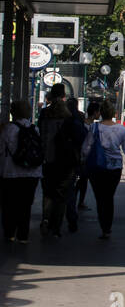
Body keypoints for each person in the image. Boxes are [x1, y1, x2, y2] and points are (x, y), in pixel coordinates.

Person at [80, 100, 125, 238]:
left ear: (101, 114)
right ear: (113, 113)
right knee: (109, 197)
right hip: (114, 168)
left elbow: (86, 148)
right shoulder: (121, 129)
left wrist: (82, 161)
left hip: (96, 168)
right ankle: (107, 228)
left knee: (100, 198)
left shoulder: (94, 128)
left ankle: (103, 225)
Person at [38, 83, 80, 237]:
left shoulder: (44, 114)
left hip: (47, 159)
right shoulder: (69, 115)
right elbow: (77, 137)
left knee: (48, 193)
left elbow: (40, 134)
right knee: (61, 196)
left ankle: (46, 219)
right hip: (65, 162)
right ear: (64, 96)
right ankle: (56, 228)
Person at [0, 98, 43, 242]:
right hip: (32, 173)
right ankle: (23, 235)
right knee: (26, 205)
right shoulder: (34, 129)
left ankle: (10, 232)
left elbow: (1, 150)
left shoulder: (8, 129)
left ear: (13, 112)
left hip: (10, 172)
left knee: (9, 204)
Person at [63, 97, 89, 234]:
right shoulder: (78, 119)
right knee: (70, 191)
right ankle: (72, 220)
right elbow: (84, 140)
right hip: (73, 160)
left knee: (53, 193)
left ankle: (50, 220)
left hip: (56, 160)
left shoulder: (60, 119)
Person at [76, 99, 101, 210]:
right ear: (95, 112)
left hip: (84, 156)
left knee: (82, 180)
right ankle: (78, 201)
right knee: (82, 180)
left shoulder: (85, 123)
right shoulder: (91, 126)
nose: (99, 114)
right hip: (85, 157)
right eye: (98, 112)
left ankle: (78, 201)